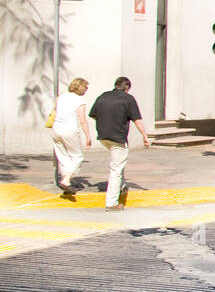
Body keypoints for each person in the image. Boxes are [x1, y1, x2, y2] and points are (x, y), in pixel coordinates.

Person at [88, 76, 150, 211]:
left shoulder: (103, 96)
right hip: (118, 138)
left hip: (103, 136)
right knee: (116, 168)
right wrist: (145, 136)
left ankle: (121, 187)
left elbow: (93, 114)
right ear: (127, 87)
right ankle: (111, 203)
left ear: (116, 85)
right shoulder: (128, 99)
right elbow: (137, 120)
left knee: (119, 162)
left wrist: (105, 122)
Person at [51, 77, 92, 197]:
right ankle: (66, 179)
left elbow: (54, 109)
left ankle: (66, 184)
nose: (86, 89)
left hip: (56, 128)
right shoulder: (80, 100)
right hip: (70, 129)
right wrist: (88, 136)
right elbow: (82, 120)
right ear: (81, 87)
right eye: (86, 87)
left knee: (63, 156)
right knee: (77, 156)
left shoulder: (62, 96)